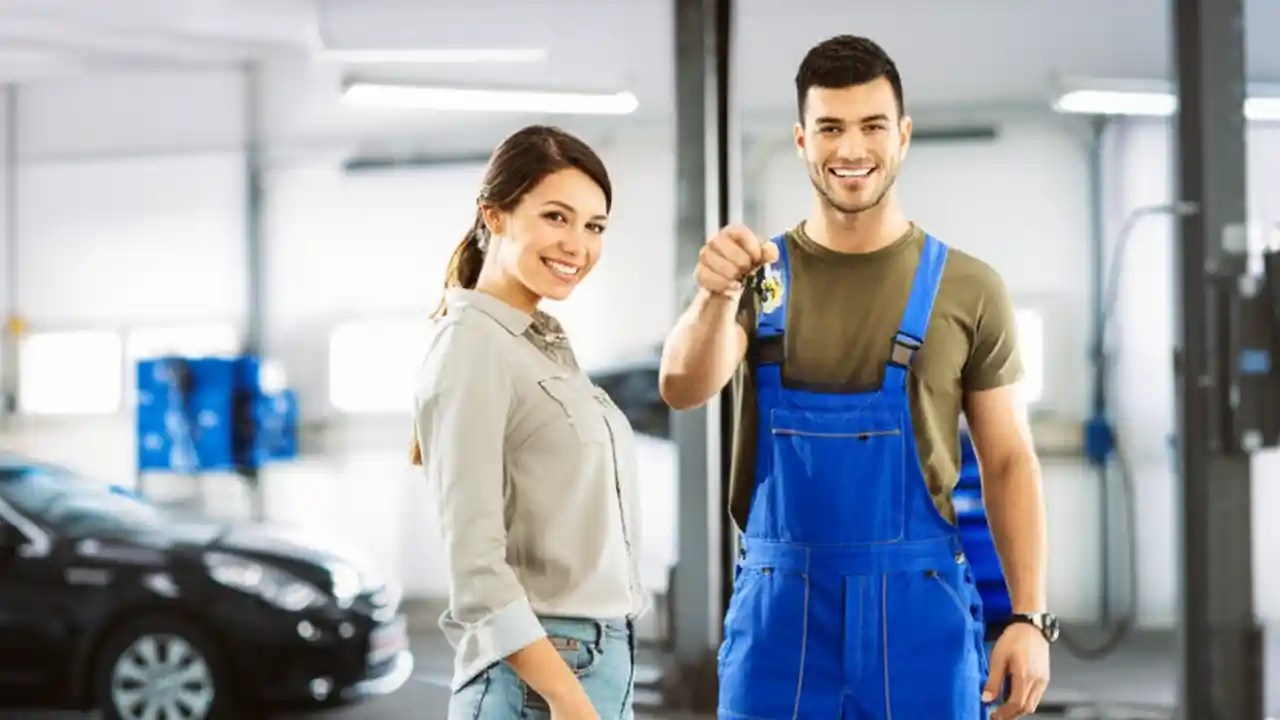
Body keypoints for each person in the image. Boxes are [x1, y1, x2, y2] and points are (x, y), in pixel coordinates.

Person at [658, 35, 1054, 720]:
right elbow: (684, 387)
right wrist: (714, 296)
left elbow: (1010, 459)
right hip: (780, 619)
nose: (851, 149)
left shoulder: (968, 287)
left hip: (919, 621)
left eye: (872, 126)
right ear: (802, 140)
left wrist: (1029, 616)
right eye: (830, 128)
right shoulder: (759, 276)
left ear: (902, 136)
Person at [412, 125, 648, 720]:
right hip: (543, 682)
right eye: (556, 217)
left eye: (594, 226)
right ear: (495, 215)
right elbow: (475, 568)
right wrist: (568, 699)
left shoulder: (537, 345)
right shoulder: (470, 345)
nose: (578, 244)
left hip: (590, 662)